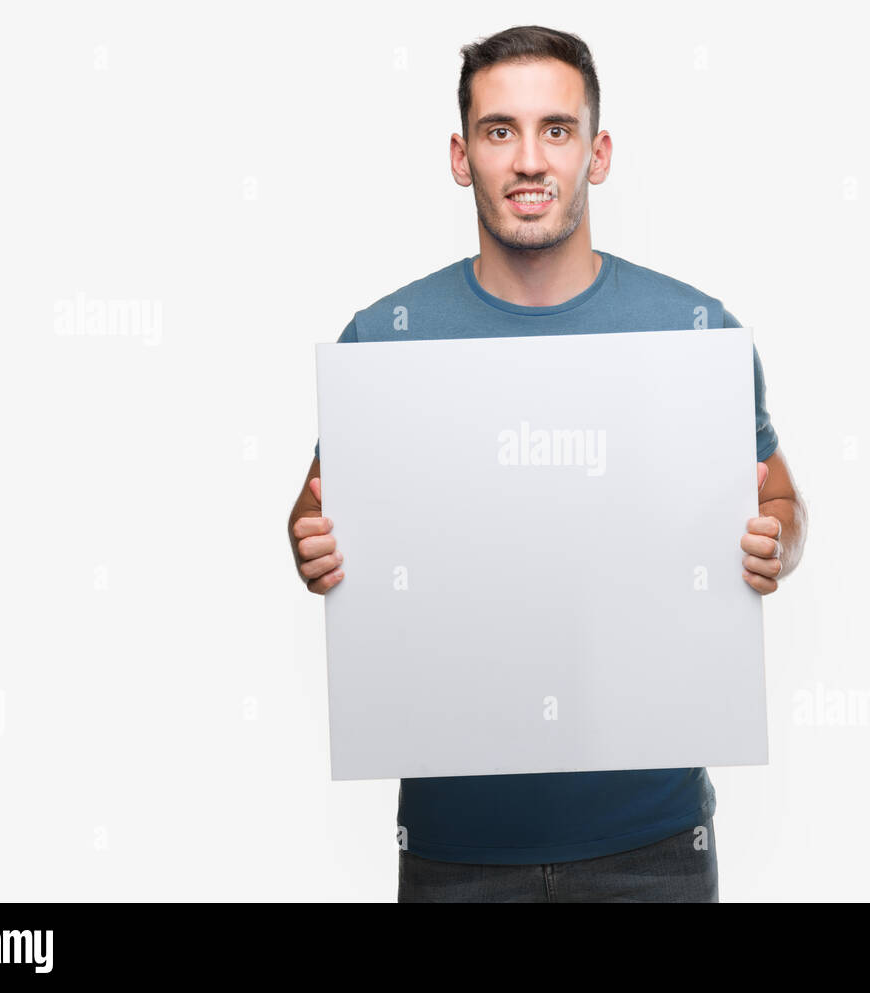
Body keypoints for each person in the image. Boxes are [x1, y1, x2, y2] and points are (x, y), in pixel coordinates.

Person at [287, 24, 807, 903]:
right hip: (456, 853)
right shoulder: (383, 340)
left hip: (653, 845)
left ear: (597, 154)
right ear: (462, 156)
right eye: (500, 131)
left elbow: (780, 494)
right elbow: (313, 515)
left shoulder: (693, 331)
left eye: (556, 130)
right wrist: (310, 546)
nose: (529, 159)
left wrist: (778, 539)